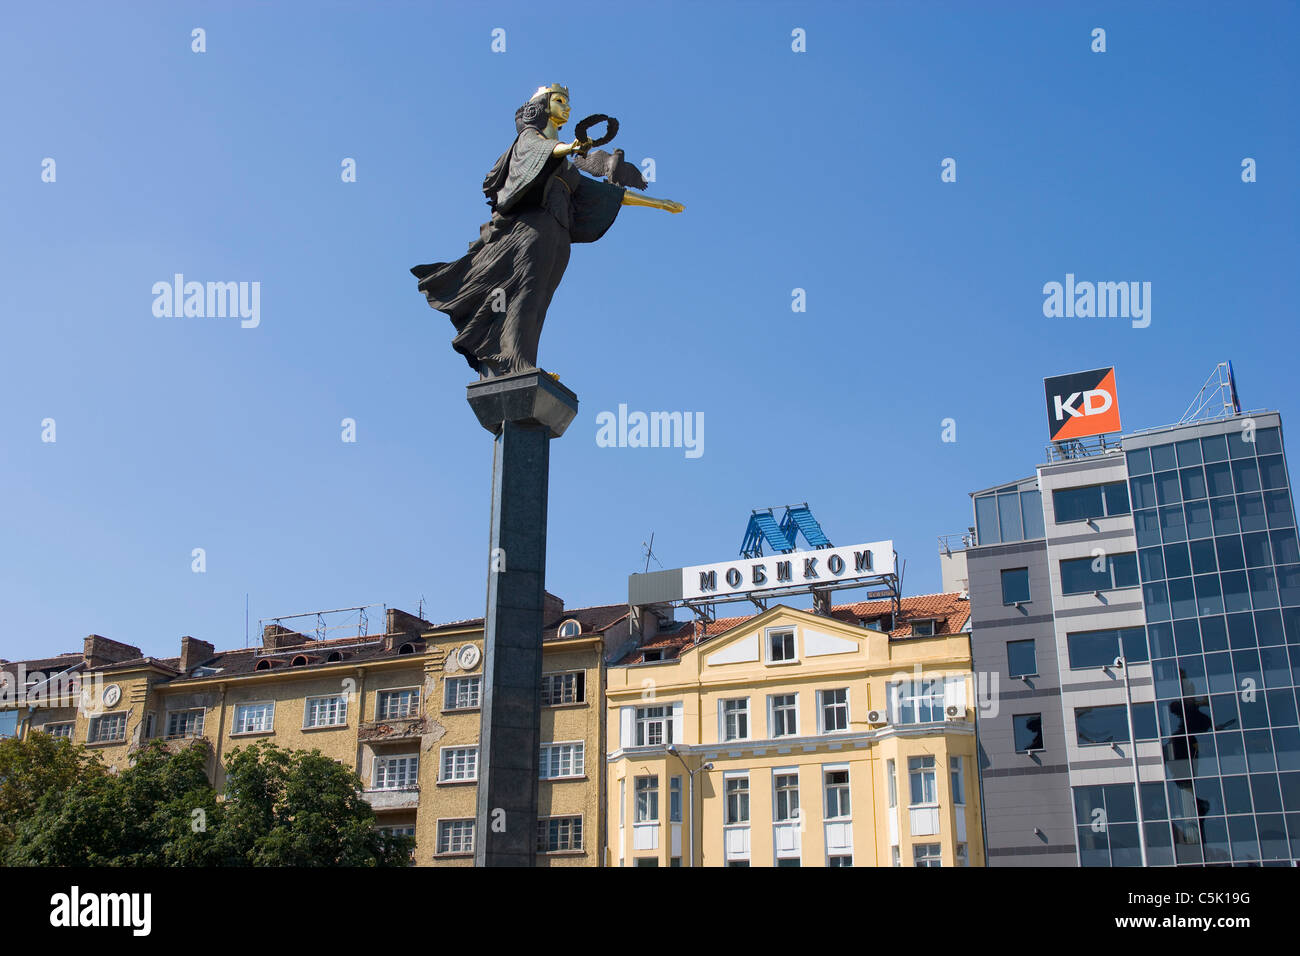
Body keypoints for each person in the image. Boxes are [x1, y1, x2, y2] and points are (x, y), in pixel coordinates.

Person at [411, 84, 684, 378]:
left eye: (567, 103)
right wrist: (571, 147)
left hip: (558, 233)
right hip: (533, 228)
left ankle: (520, 359)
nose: (566, 108)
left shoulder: (565, 163)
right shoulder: (530, 139)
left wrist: (658, 203)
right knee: (527, 292)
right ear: (541, 107)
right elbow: (543, 150)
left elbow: (605, 193)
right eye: (559, 101)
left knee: (540, 298)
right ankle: (516, 363)